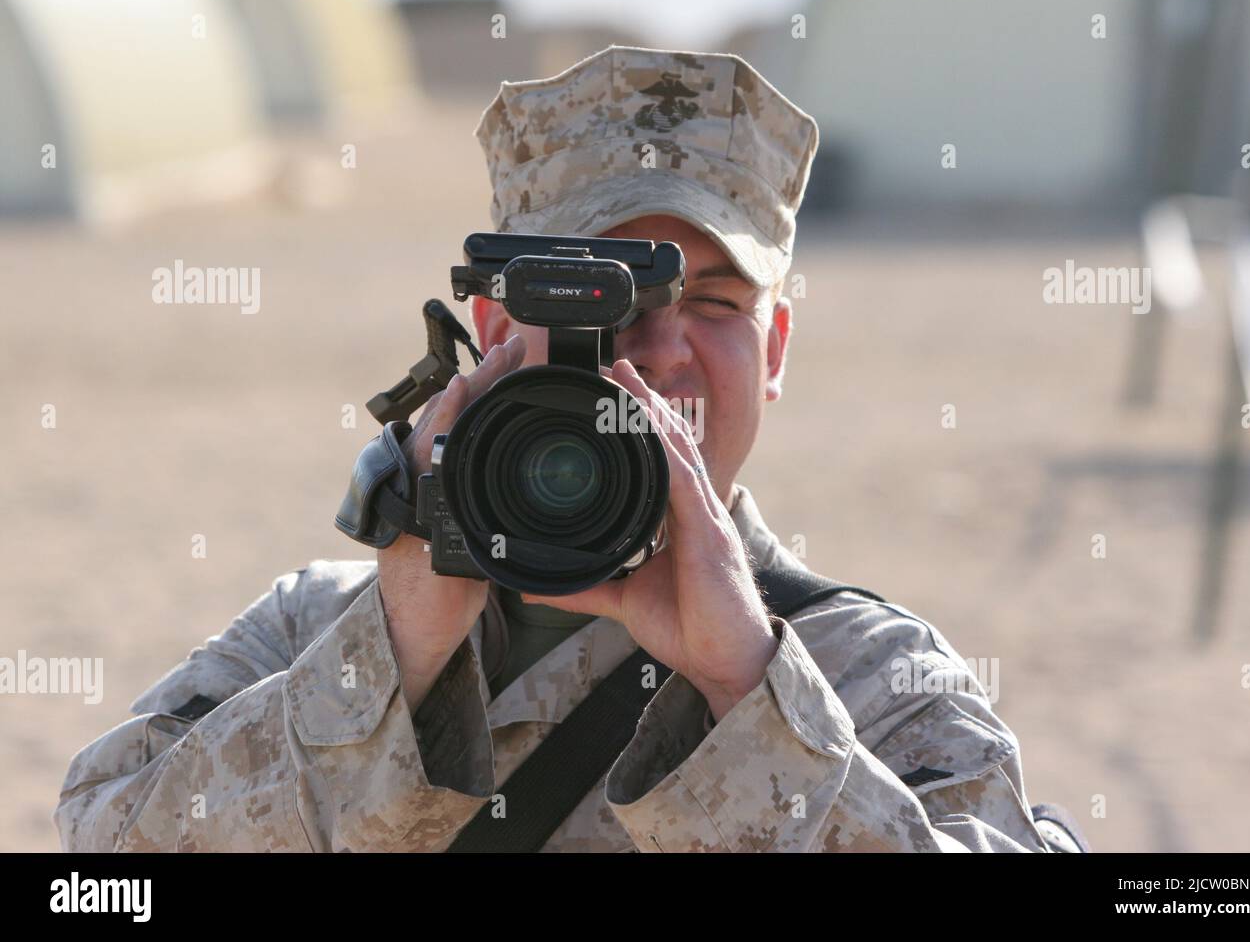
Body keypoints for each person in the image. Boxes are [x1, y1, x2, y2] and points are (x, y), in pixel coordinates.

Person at [54, 45, 1051, 852]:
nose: (658, 354)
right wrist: (390, 656)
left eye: (714, 302)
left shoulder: (871, 676)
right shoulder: (317, 626)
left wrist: (750, 687)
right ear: (492, 332)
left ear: (774, 347)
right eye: (602, 298)